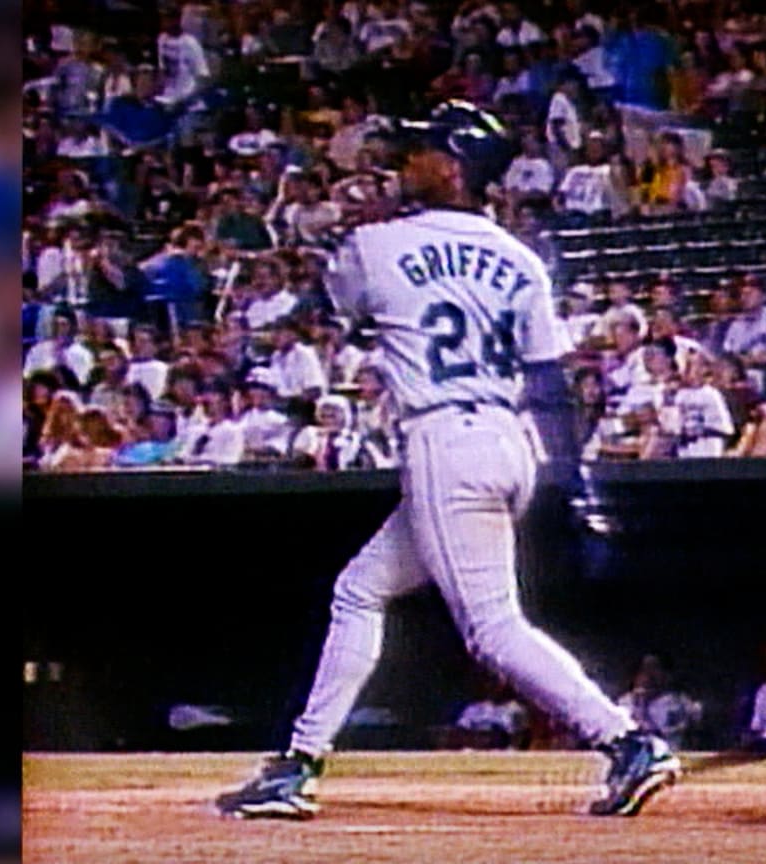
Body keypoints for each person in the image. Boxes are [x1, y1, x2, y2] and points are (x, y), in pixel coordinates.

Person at [217, 144, 679, 820]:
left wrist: (354, 226)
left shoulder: (379, 239)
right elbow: (549, 383)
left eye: (431, 148)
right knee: (360, 589)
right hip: (507, 439)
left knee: (492, 628)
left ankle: (626, 740)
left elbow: (329, 306)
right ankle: (299, 764)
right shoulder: (520, 256)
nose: (413, 156)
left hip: (445, 437)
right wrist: (575, 482)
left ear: (459, 169)